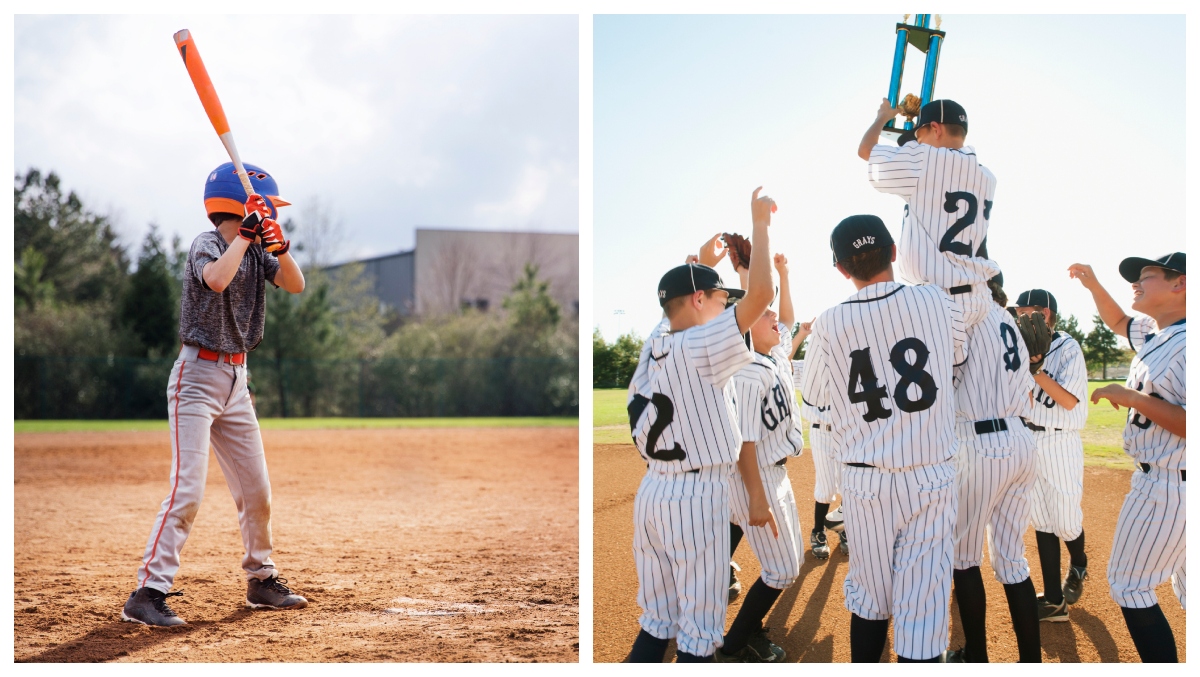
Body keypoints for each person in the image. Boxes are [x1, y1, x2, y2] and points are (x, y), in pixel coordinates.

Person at [122, 162, 308, 626]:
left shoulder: (256, 250)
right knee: (187, 490)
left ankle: (261, 579)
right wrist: (246, 233)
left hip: (237, 381)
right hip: (197, 377)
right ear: (239, 205)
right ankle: (147, 593)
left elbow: (296, 283)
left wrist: (278, 245)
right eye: (263, 209)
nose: (268, 217)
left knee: (257, 490)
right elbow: (217, 279)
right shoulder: (208, 244)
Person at [801, 214, 965, 662]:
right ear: (894, 252)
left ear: (841, 269)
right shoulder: (933, 299)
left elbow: (814, 393)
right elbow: (957, 353)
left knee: (870, 597)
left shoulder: (830, 323)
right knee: (924, 611)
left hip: (865, 481)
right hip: (930, 475)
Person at [623, 188, 777, 663]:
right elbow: (762, 296)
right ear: (696, 299)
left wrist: (696, 261)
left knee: (657, 624)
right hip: (696, 498)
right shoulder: (702, 346)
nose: (724, 305)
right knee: (699, 637)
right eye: (717, 297)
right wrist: (761, 226)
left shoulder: (655, 344)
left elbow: (672, 310)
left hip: (652, 496)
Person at [1070, 254, 1186, 663]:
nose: (1136, 283)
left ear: (1180, 284)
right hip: (1174, 481)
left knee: (1129, 585)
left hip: (1170, 486)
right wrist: (1093, 285)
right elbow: (1119, 322)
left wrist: (1130, 396)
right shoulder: (1161, 333)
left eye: (1147, 277)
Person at [945, 275, 1041, 663]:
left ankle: (977, 657)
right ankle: (1031, 661)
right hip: (1021, 438)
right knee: (1012, 559)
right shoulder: (1009, 320)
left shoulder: (965, 316)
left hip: (980, 442)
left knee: (963, 559)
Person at [715, 253, 805, 663]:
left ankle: (736, 623)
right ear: (747, 328)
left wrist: (782, 275)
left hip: (774, 473)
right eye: (763, 314)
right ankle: (735, 645)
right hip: (757, 476)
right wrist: (755, 496)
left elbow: (787, 320)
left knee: (786, 560)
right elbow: (744, 444)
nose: (776, 320)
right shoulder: (748, 371)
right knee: (784, 570)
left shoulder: (774, 356)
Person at [859, 98, 999, 330]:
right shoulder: (986, 175)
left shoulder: (924, 160)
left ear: (935, 128)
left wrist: (882, 117)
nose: (916, 142)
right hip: (979, 300)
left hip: (940, 303)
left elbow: (865, 150)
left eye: (919, 136)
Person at [1012, 289, 1091, 622]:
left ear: (1044, 314)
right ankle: (1055, 601)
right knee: (1041, 521)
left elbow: (1069, 401)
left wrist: (1037, 370)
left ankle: (1079, 564)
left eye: (1025, 312)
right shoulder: (1020, 350)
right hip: (1032, 439)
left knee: (1066, 519)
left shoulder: (1068, 347)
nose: (1019, 318)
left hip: (1060, 442)